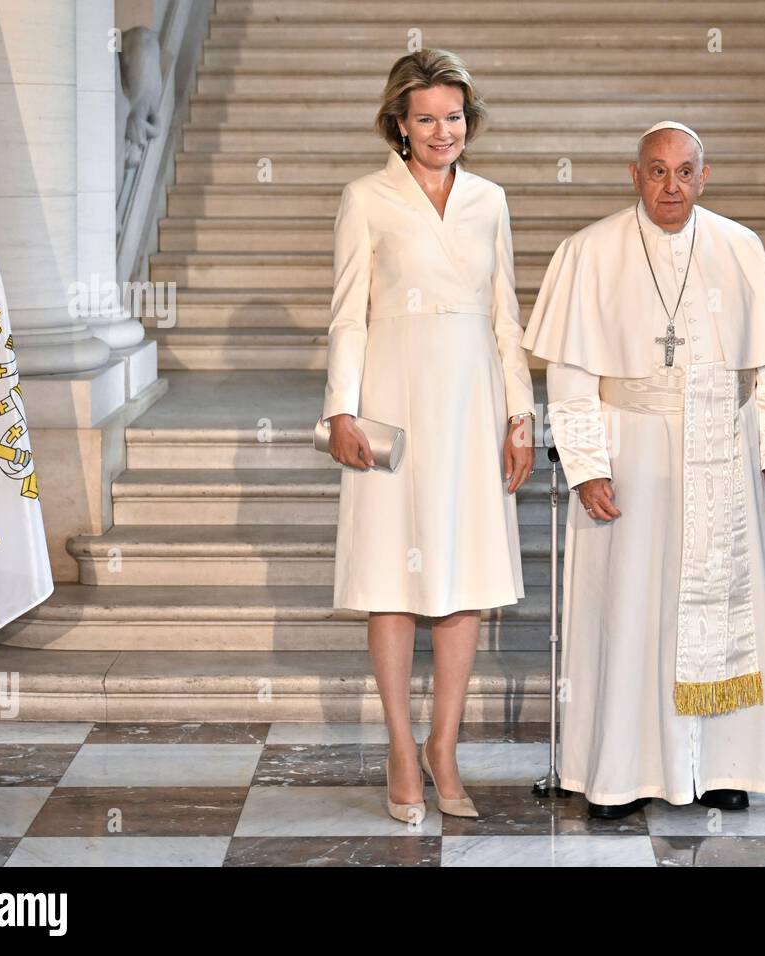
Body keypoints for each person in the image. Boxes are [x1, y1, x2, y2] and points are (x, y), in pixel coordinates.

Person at [523, 121, 765, 820]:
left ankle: (725, 765)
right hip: (631, 453)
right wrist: (585, 465)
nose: (671, 186)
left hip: (724, 450)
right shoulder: (589, 252)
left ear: (704, 178)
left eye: (684, 172)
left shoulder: (741, 248)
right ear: (634, 173)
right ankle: (621, 772)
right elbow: (570, 374)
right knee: (630, 611)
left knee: (724, 609)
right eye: (657, 171)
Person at [321, 49, 536, 824]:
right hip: (393, 400)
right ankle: (400, 750)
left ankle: (443, 746)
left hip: (472, 402)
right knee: (391, 578)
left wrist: (521, 416)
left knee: (465, 574)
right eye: (426, 119)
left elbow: (507, 315)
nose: (442, 131)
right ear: (399, 125)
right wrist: (340, 410)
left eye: (454, 117)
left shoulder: (490, 200)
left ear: (467, 122)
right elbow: (349, 312)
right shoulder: (366, 198)